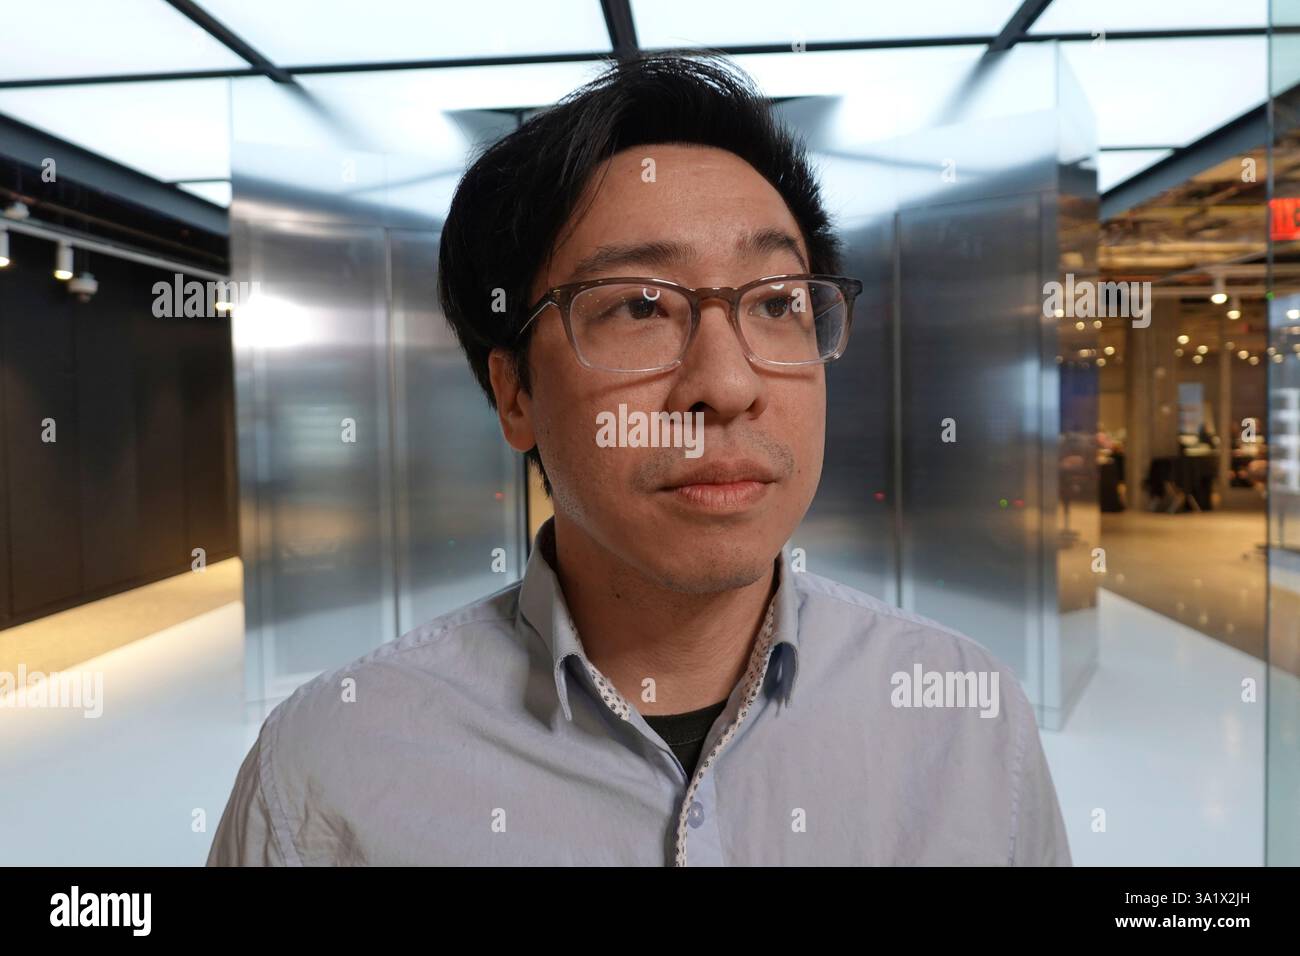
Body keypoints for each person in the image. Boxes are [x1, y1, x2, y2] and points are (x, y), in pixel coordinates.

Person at [208, 52, 1070, 866]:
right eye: (638, 308)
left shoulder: (967, 719)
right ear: (515, 396)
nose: (727, 386)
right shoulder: (327, 774)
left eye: (776, 303)